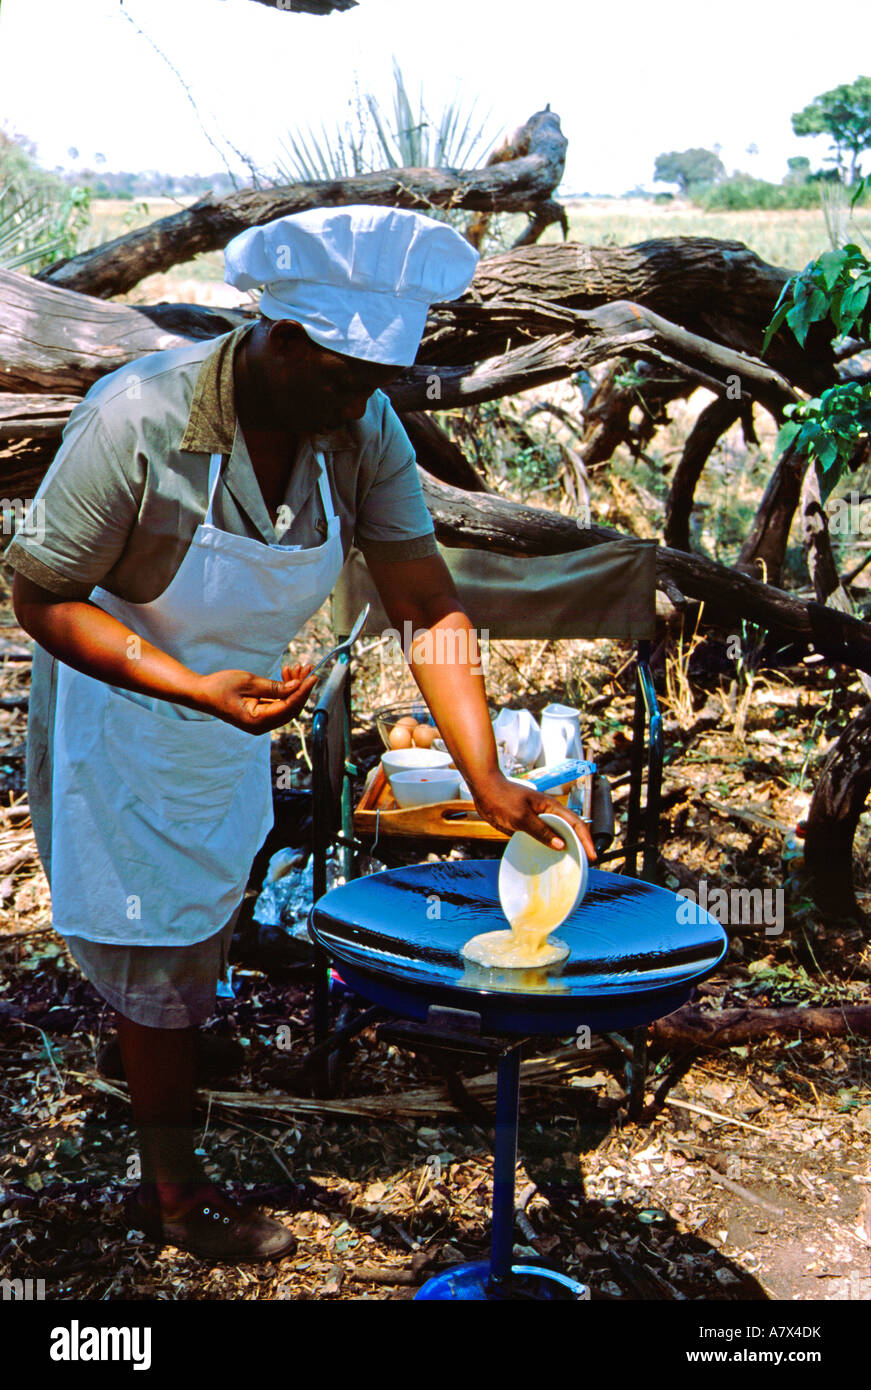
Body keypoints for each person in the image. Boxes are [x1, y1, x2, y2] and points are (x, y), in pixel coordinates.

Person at [7, 204, 595, 1262]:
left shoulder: (355, 425)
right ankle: (177, 1199)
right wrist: (185, 684)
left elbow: (426, 604)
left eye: (372, 385)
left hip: (233, 709)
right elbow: (42, 594)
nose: (355, 405)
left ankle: (161, 1046)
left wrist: (490, 778)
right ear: (276, 339)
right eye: (337, 377)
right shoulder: (137, 419)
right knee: (152, 939)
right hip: (126, 704)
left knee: (202, 907)